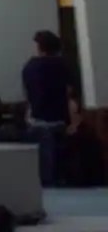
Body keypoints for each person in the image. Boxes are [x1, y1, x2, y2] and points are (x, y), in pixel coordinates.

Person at [24, 30, 74, 186]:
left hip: (37, 119)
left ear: (39, 47)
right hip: (59, 118)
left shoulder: (30, 66)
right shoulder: (63, 65)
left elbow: (28, 93)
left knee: (42, 158)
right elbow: (70, 92)